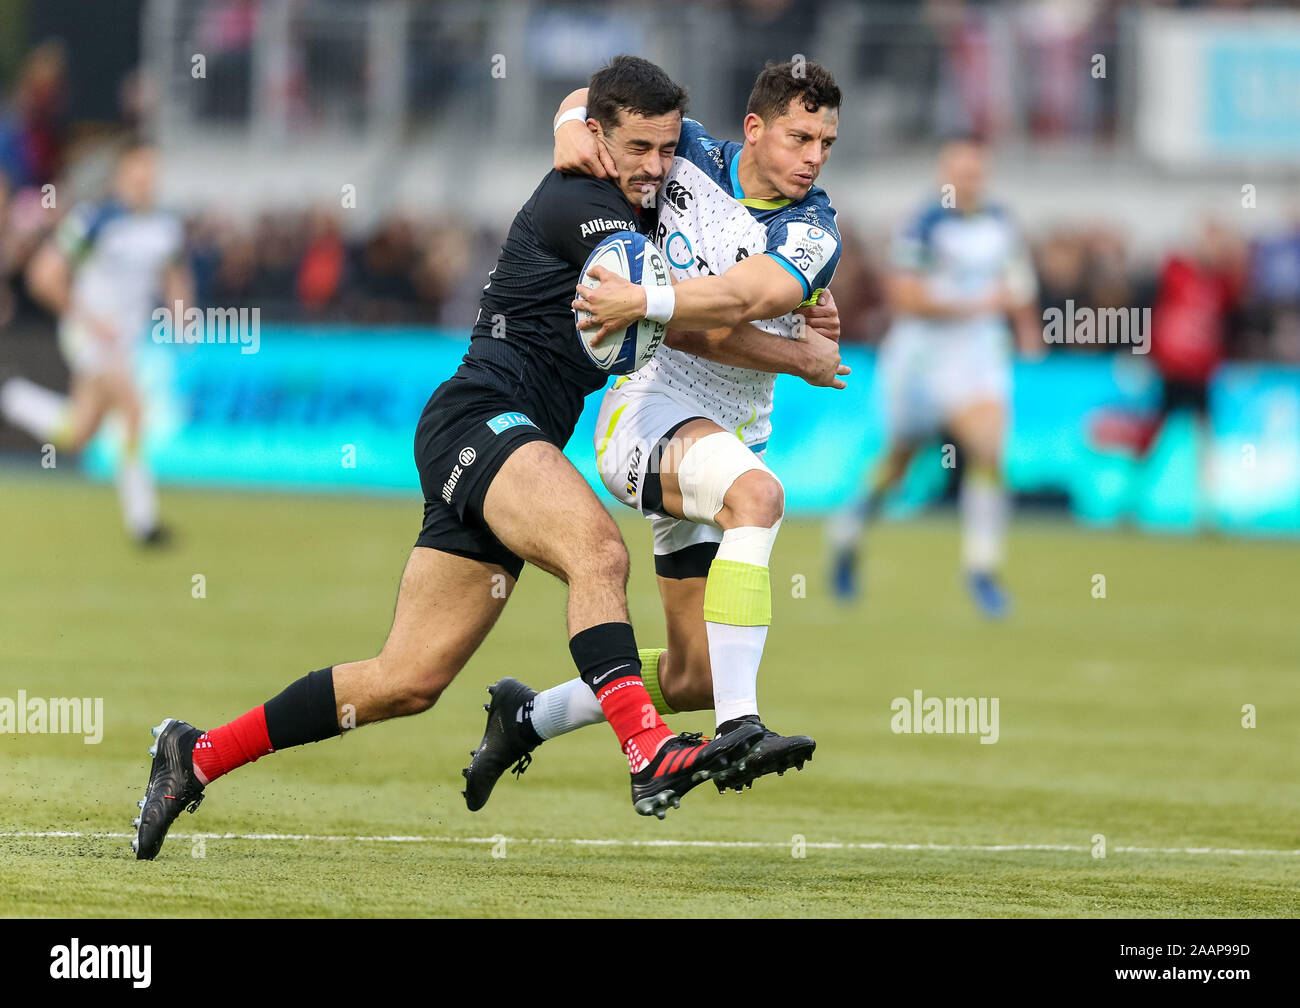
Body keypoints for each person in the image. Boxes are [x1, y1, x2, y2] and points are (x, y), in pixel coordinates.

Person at [130, 57, 774, 861]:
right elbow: (655, 311)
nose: (655, 166)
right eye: (637, 147)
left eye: (666, 149)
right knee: (598, 552)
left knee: (404, 681)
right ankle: (647, 752)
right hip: (482, 420)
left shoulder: (627, 182)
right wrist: (784, 337)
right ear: (601, 141)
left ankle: (193, 755)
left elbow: (597, 134)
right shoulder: (583, 201)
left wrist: (574, 116)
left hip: (506, 443)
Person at [462, 61, 849, 810]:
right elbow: (588, 97)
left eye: (827, 143)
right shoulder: (683, 150)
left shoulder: (811, 231)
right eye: (801, 136)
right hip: (645, 416)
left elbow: (743, 297)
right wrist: (568, 126)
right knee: (759, 499)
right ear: (754, 129)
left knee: (688, 676)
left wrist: (646, 299)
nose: (814, 157)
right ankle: (742, 726)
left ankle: (525, 717)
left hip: (725, 438)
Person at [827, 136, 1040, 618]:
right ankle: (847, 536)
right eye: (960, 172)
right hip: (921, 359)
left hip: (978, 357)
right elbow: (904, 298)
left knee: (988, 449)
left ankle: (982, 570)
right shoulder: (921, 226)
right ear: (943, 174)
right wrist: (976, 304)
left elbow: (1018, 284)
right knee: (899, 462)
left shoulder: (1001, 222)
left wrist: (1026, 329)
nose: (968, 181)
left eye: (975, 172)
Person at [1, 141, 191, 545]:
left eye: (152, 172)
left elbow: (174, 275)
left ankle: (11, 396)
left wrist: (181, 315)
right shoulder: (94, 221)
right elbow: (43, 275)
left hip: (125, 341)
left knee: (80, 431)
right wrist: (87, 318)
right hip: (89, 335)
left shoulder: (164, 226)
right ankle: (144, 524)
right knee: (134, 409)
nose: (147, 181)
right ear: (122, 174)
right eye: (140, 171)